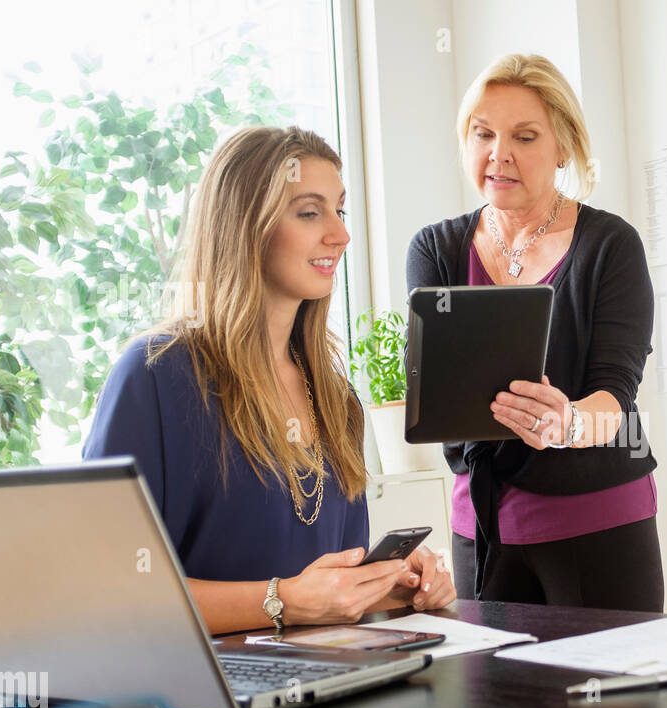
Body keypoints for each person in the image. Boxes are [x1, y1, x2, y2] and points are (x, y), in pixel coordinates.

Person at [83, 125, 454, 635]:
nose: (340, 234)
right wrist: (283, 602)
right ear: (245, 227)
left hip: (324, 681)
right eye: (309, 212)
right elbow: (108, 588)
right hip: (207, 695)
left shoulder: (335, 395)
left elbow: (324, 582)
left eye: (339, 211)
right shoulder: (155, 375)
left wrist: (391, 587)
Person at [407, 54, 664, 612]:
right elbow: (438, 399)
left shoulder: (610, 246)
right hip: (481, 526)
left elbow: (615, 396)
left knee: (613, 695)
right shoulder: (435, 250)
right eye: (483, 134)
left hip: (597, 518)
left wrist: (567, 422)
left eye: (525, 136)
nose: (499, 153)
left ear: (564, 146)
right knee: (491, 697)